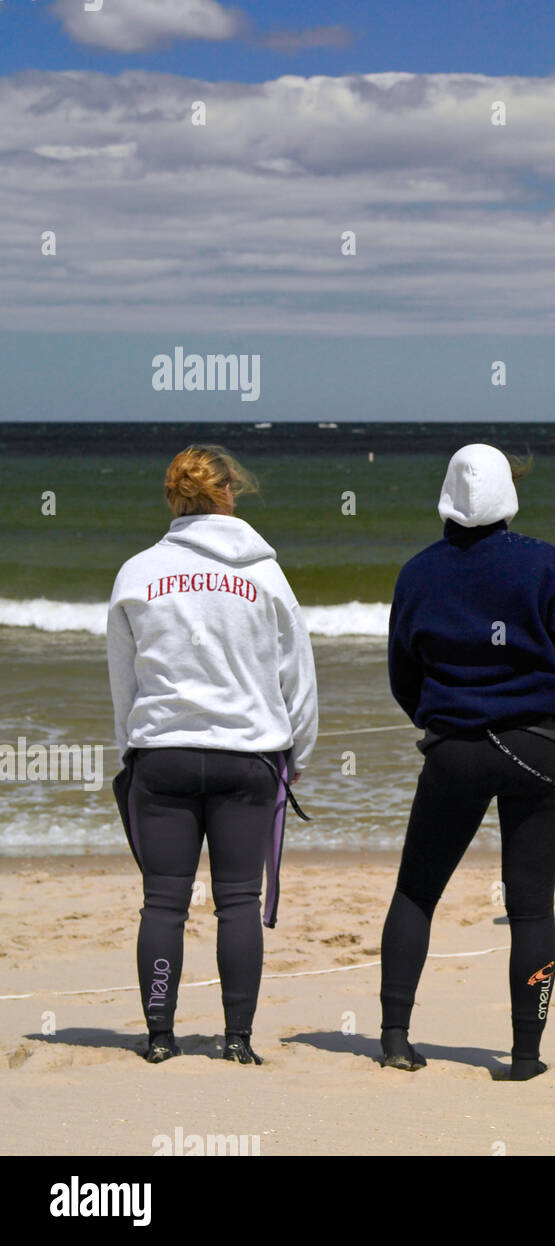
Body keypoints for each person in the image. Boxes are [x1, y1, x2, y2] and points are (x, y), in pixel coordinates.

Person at [380, 445, 555, 1080]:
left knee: (417, 892)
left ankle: (395, 1038)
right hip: (541, 751)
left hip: (455, 750)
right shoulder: (546, 565)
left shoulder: (418, 573)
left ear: (447, 497)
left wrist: (439, 721)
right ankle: (526, 1055)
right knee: (532, 906)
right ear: (509, 496)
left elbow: (403, 674)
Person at [107, 446, 317, 1066]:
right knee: (238, 902)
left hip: (162, 757)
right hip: (247, 759)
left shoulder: (136, 573)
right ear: (229, 492)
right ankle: (237, 1039)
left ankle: (159, 1036)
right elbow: (296, 678)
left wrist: (132, 751)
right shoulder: (266, 575)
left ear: (174, 497)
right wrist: (297, 750)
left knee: (164, 901)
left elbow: (125, 682)